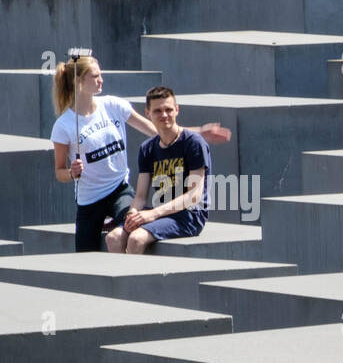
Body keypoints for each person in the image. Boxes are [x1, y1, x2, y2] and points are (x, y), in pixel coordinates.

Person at [49, 56, 228, 252]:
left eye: (101, 75)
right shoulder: (64, 125)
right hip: (89, 198)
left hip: (119, 190)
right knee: (86, 254)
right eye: (95, 76)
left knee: (127, 229)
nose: (101, 80)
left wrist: (200, 132)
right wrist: (71, 173)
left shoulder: (113, 105)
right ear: (79, 81)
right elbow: (59, 172)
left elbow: (158, 129)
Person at [106, 86, 211, 254]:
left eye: (168, 109)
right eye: (157, 111)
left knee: (136, 238)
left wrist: (152, 214)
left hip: (189, 215)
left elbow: (194, 196)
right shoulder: (147, 148)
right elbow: (140, 196)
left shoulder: (193, 143)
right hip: (160, 213)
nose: (164, 115)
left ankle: (136, 280)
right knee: (114, 238)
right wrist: (133, 213)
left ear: (177, 110)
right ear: (148, 113)